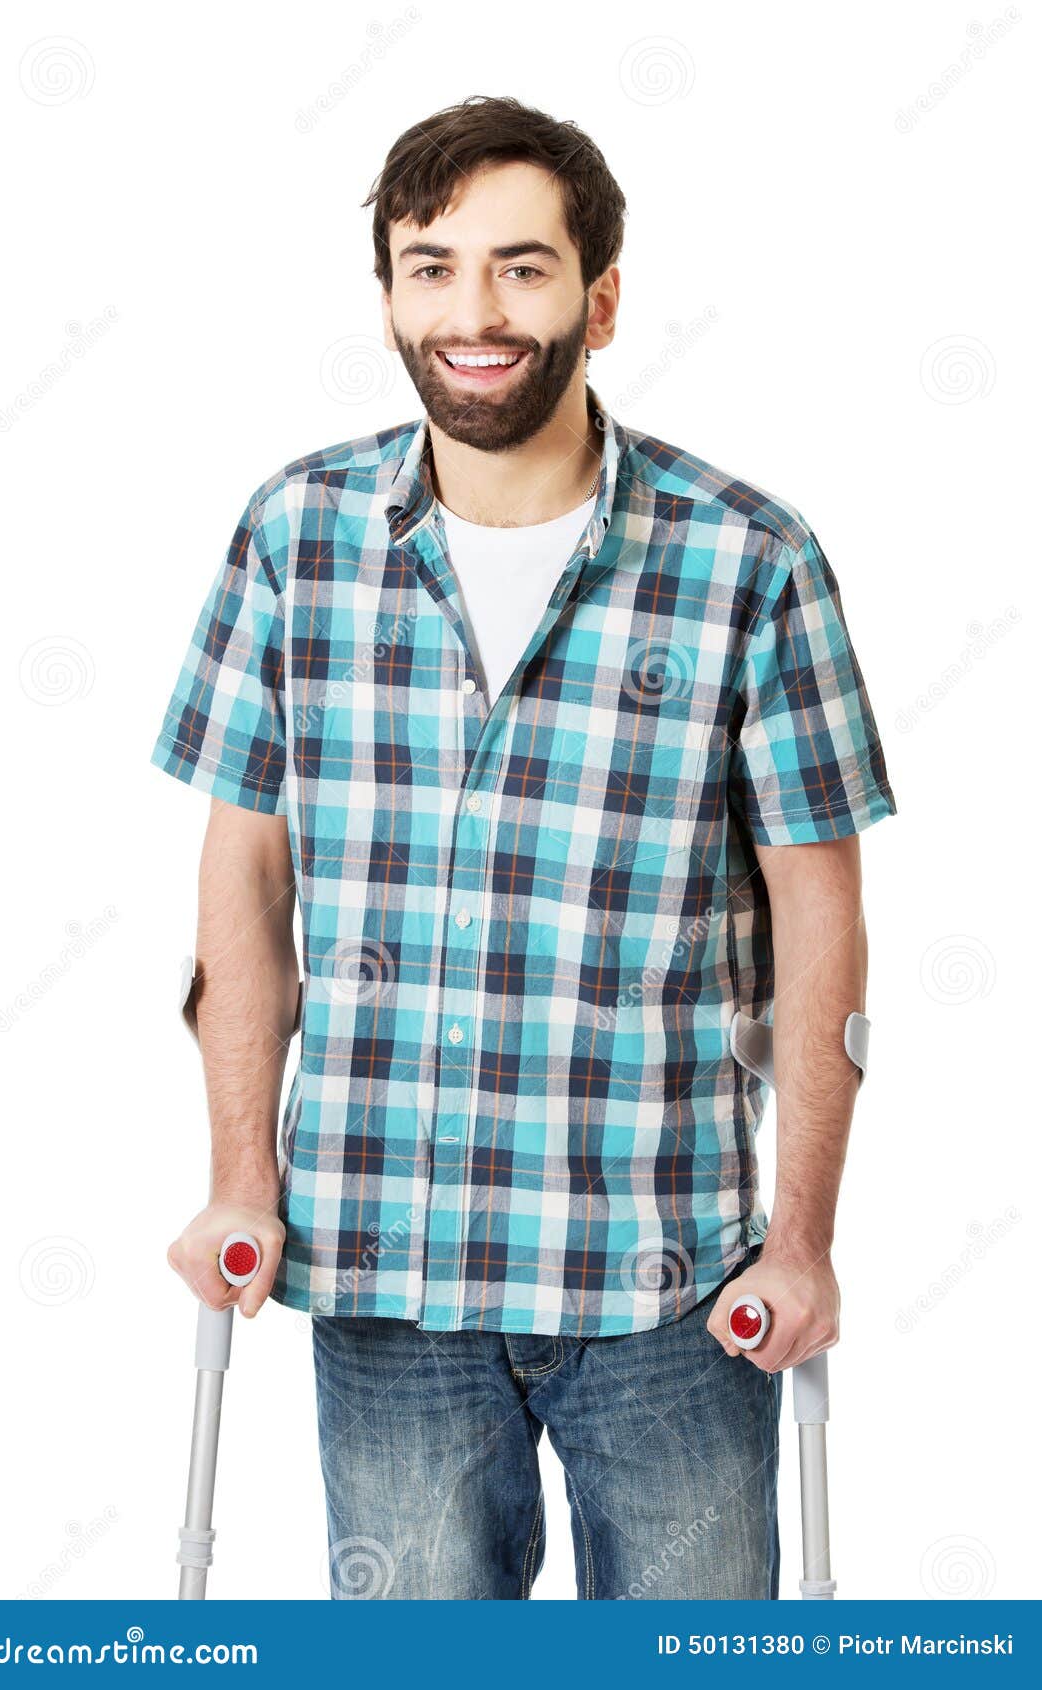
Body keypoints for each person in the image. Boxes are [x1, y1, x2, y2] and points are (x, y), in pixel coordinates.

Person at [157, 95, 897, 1601]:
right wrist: (240, 1177)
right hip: (383, 1272)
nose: (474, 311)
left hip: (671, 1286)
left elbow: (821, 921)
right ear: (387, 298)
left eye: (522, 267)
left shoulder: (749, 559)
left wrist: (805, 1241)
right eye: (431, 268)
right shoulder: (294, 537)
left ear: (599, 300)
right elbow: (245, 878)